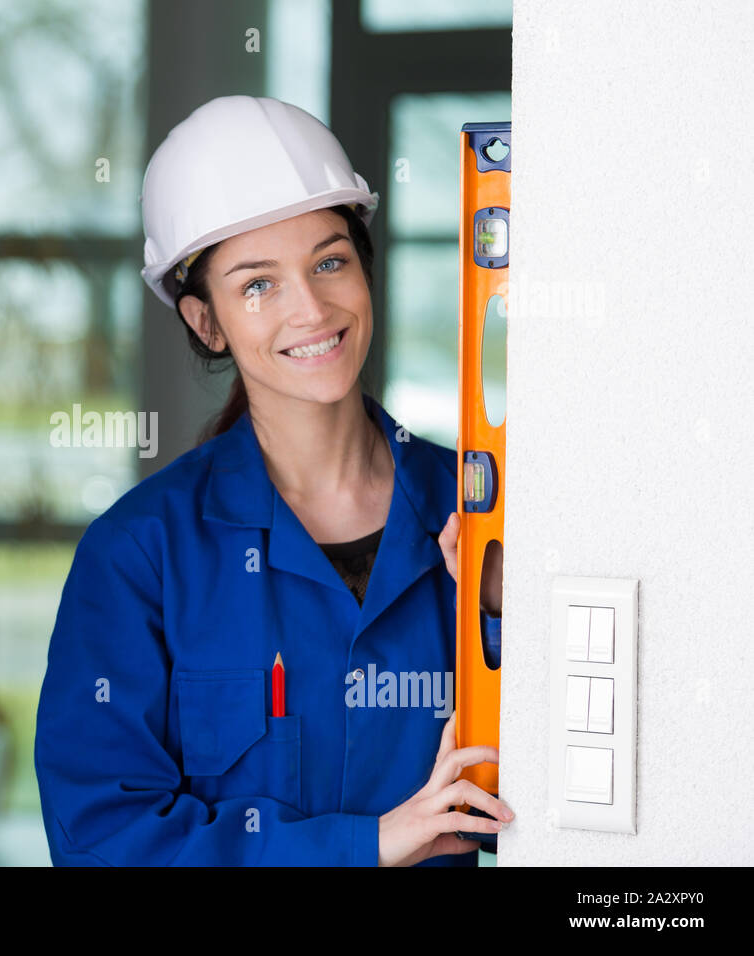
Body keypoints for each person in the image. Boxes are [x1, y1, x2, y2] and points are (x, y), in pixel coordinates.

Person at [34, 95, 508, 866]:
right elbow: (104, 838)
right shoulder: (139, 555)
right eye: (258, 285)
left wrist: (508, 622)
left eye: (330, 262)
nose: (312, 309)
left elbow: (589, 784)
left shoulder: (481, 513)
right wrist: (366, 844)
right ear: (205, 321)